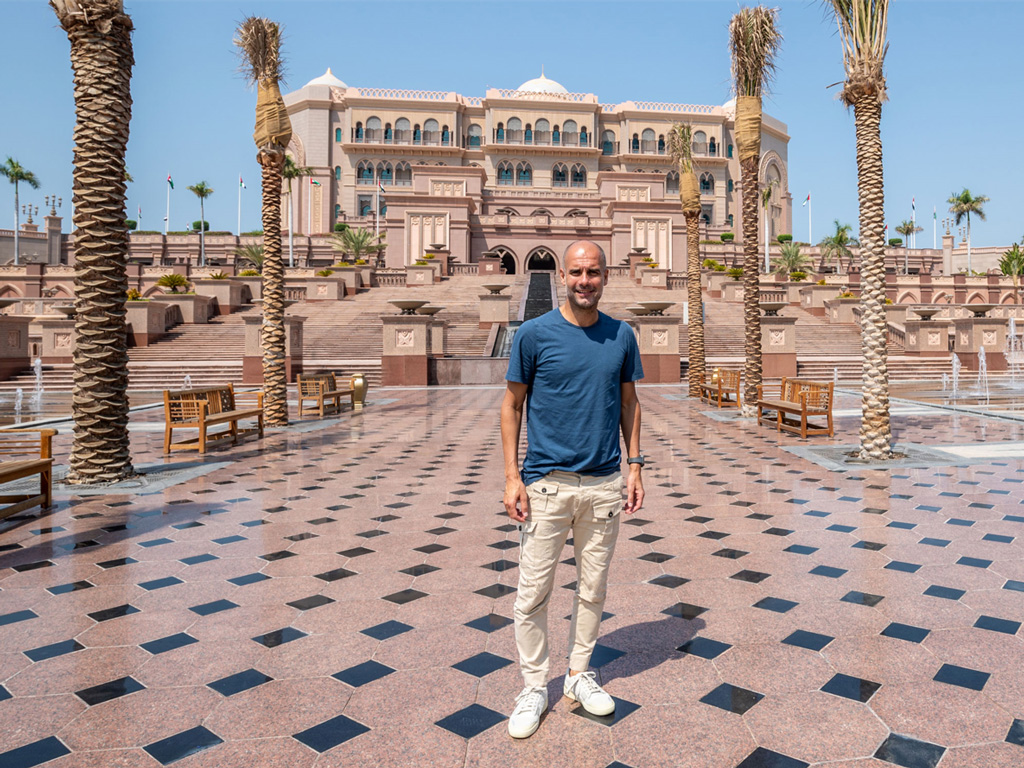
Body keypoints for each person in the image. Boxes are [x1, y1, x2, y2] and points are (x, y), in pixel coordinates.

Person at [501, 239, 645, 739]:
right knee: (532, 593)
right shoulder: (534, 335)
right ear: (563, 275)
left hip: (604, 486)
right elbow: (511, 405)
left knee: (592, 589)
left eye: (594, 272)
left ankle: (579, 675)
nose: (586, 281)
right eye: (578, 272)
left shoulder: (622, 335)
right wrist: (512, 476)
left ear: (606, 276)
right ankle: (534, 685)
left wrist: (636, 466)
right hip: (545, 486)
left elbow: (631, 402)